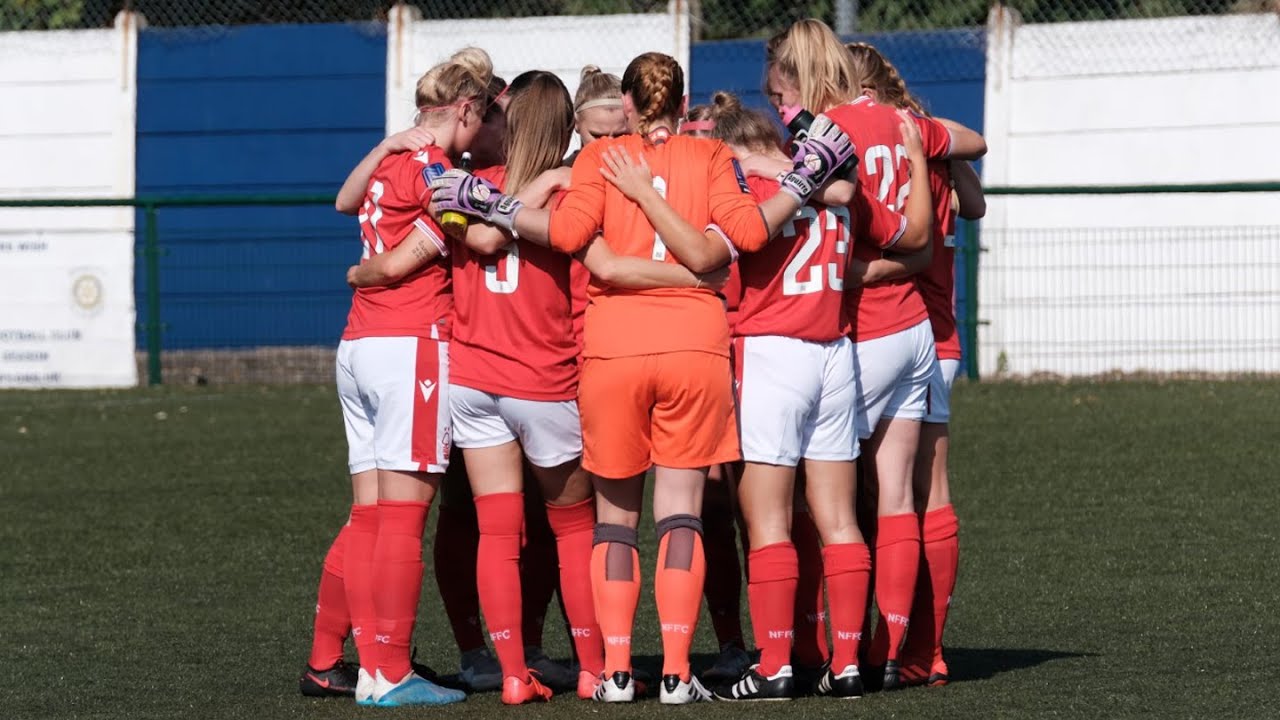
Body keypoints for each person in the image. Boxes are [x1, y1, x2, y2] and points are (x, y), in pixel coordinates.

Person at [428, 51, 855, 704]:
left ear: (626, 105)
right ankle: (678, 671)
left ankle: (619, 671)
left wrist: (491, 203)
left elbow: (567, 233)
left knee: (614, 523)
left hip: (614, 353)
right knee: (681, 514)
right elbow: (744, 234)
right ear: (683, 106)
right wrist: (801, 181)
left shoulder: (600, 158)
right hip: (694, 349)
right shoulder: (712, 155)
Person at [681, 92, 933, 701]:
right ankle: (844, 664)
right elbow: (884, 221)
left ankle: (774, 666)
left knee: (767, 520)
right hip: (834, 351)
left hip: (771, 352)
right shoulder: (830, 185)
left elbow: (717, 262)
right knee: (839, 520)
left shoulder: (749, 187)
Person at [765, 18, 985, 691]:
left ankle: (825, 648)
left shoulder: (830, 132)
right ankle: (905, 652)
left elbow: (853, 233)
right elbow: (971, 174)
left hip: (863, 328)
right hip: (922, 327)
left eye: (781, 94)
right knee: (902, 494)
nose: (780, 107)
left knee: (823, 498)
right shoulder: (901, 121)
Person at [325, 46, 502, 708]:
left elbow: (344, 201)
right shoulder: (433, 166)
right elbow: (463, 232)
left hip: (359, 345)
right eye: (481, 114)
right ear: (464, 109)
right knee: (403, 519)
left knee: (371, 517)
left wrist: (383, 147)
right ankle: (392, 671)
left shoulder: (392, 157)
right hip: (411, 346)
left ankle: (373, 668)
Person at [844, 41, 987, 688]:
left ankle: (885, 643)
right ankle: (925, 648)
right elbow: (975, 202)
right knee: (926, 490)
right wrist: (938, 146)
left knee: (874, 492)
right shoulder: (924, 138)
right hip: (939, 335)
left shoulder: (866, 142)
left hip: (890, 323)